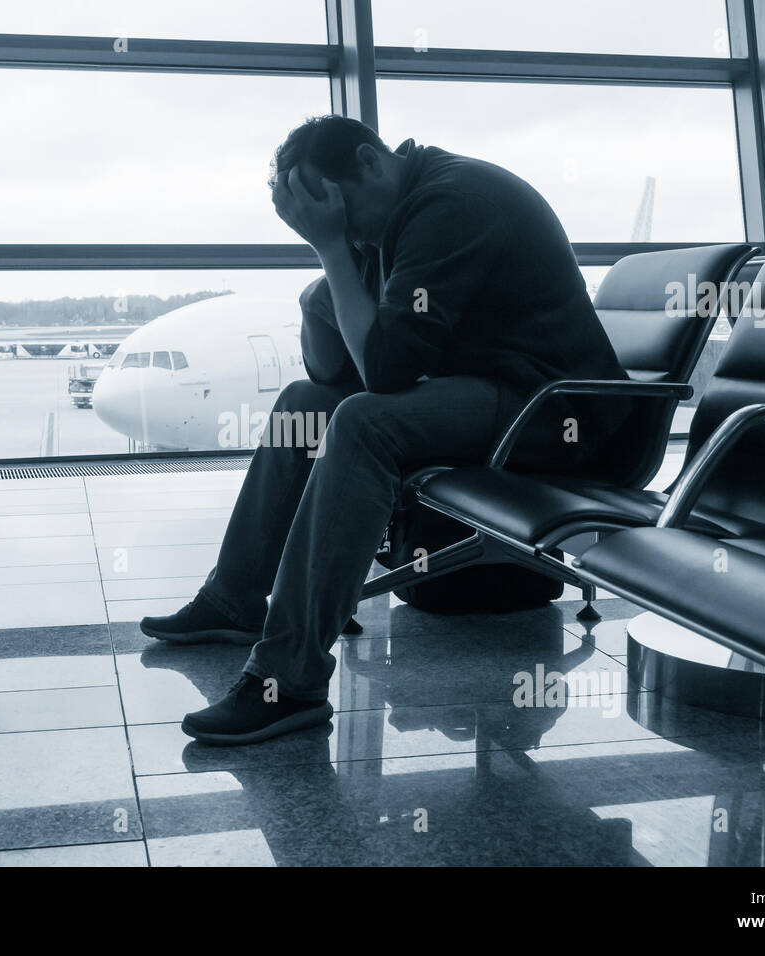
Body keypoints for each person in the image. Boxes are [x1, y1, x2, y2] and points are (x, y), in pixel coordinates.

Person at [141, 115, 631, 746]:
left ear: (373, 161)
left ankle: (289, 680)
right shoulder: (390, 215)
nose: (351, 231)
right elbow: (330, 367)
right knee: (302, 404)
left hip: (556, 412)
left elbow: (385, 373)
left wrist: (329, 249)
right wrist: (334, 265)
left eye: (347, 212)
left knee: (363, 423)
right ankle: (234, 600)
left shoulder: (451, 202)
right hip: (500, 393)